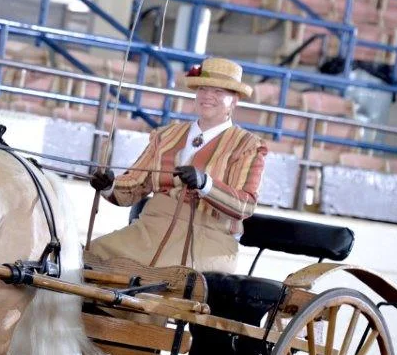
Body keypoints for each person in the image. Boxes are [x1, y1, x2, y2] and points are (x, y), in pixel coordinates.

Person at [88, 57, 267, 273]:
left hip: (207, 240)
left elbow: (246, 205)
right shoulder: (166, 135)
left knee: (159, 276)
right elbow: (134, 186)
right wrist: (108, 185)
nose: (208, 96)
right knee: (91, 255)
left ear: (234, 100)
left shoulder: (247, 145)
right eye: (203, 88)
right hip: (149, 230)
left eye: (219, 91)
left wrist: (206, 184)